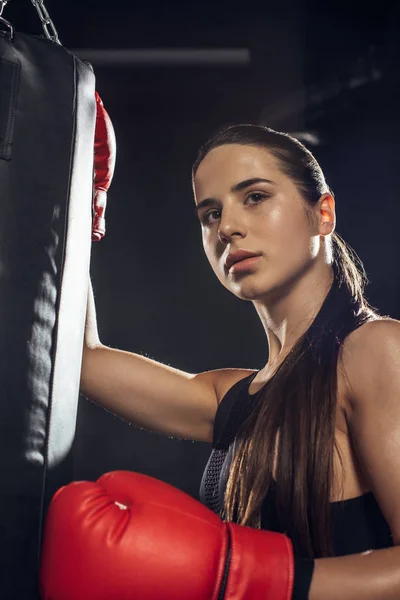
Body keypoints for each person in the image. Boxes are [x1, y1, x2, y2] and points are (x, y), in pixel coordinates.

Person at [42, 125, 400, 599]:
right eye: (211, 214)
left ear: (323, 214)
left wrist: (245, 578)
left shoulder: (375, 350)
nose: (227, 226)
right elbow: (81, 355)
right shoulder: (231, 399)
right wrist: (72, 198)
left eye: (254, 197)